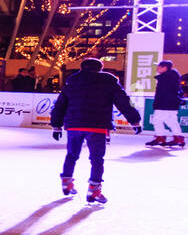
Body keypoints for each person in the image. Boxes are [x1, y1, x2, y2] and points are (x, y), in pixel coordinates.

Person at [50, 57, 143, 203]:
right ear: (100, 68)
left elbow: (60, 104)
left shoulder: (72, 81)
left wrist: (56, 125)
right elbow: (123, 101)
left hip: (74, 125)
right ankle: (94, 190)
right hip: (97, 125)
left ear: (82, 68)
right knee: (97, 159)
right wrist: (134, 120)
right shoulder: (109, 81)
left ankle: (67, 183)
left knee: (71, 154)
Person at [147, 60, 185, 147]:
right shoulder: (172, 77)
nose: (157, 68)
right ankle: (178, 138)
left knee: (157, 120)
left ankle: (160, 137)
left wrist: (158, 103)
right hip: (172, 104)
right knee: (171, 121)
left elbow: (163, 93)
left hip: (164, 104)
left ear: (165, 68)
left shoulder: (165, 78)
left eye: (159, 66)